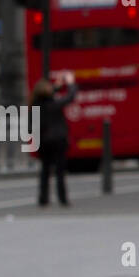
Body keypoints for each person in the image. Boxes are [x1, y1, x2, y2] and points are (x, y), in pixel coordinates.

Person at [33, 76, 77, 207]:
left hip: (43, 141)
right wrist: (71, 84)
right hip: (58, 140)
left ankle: (43, 198)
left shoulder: (36, 104)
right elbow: (70, 97)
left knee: (45, 171)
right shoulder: (54, 104)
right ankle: (62, 198)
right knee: (59, 171)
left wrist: (58, 86)